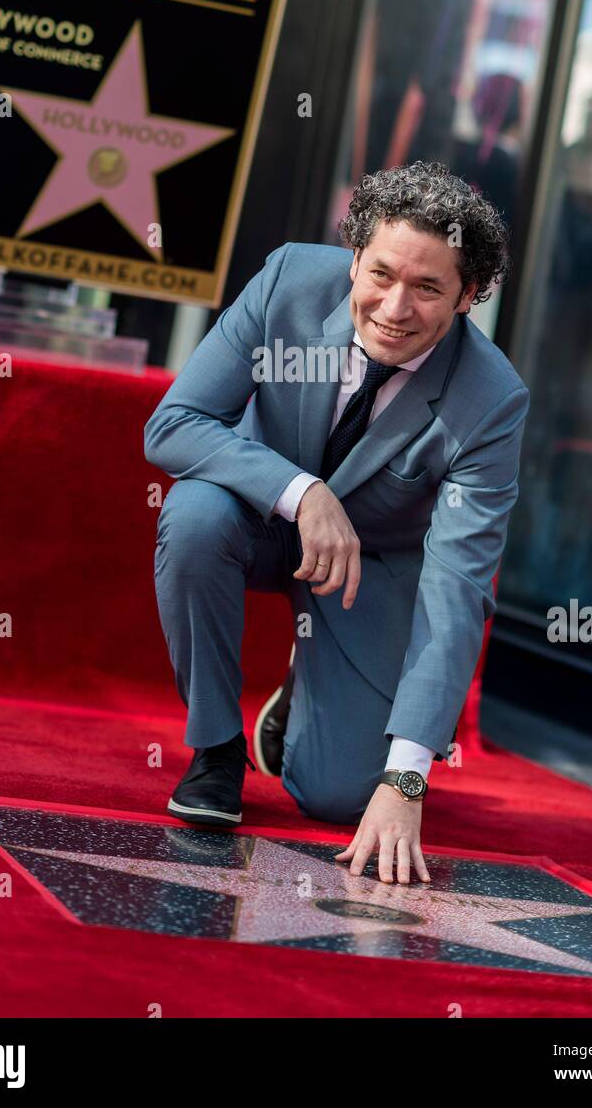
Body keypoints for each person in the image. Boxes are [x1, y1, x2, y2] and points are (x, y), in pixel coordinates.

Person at [144, 160, 529, 885]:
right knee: (192, 513)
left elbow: (455, 590)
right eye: (380, 273)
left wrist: (408, 780)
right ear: (353, 258)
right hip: (255, 519)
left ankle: (304, 697)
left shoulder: (492, 399)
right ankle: (218, 747)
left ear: (468, 296)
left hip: (371, 568)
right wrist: (300, 491)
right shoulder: (288, 280)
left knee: (339, 799)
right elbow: (174, 425)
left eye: (427, 288)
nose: (394, 305)